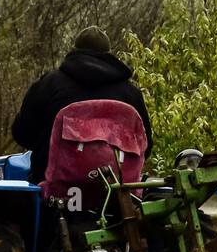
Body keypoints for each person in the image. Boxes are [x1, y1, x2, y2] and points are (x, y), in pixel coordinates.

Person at [11, 26, 154, 184]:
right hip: (115, 195)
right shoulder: (130, 94)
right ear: (108, 55)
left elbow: (22, 134)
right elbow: (144, 147)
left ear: (74, 51)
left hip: (53, 193)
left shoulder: (49, 84)